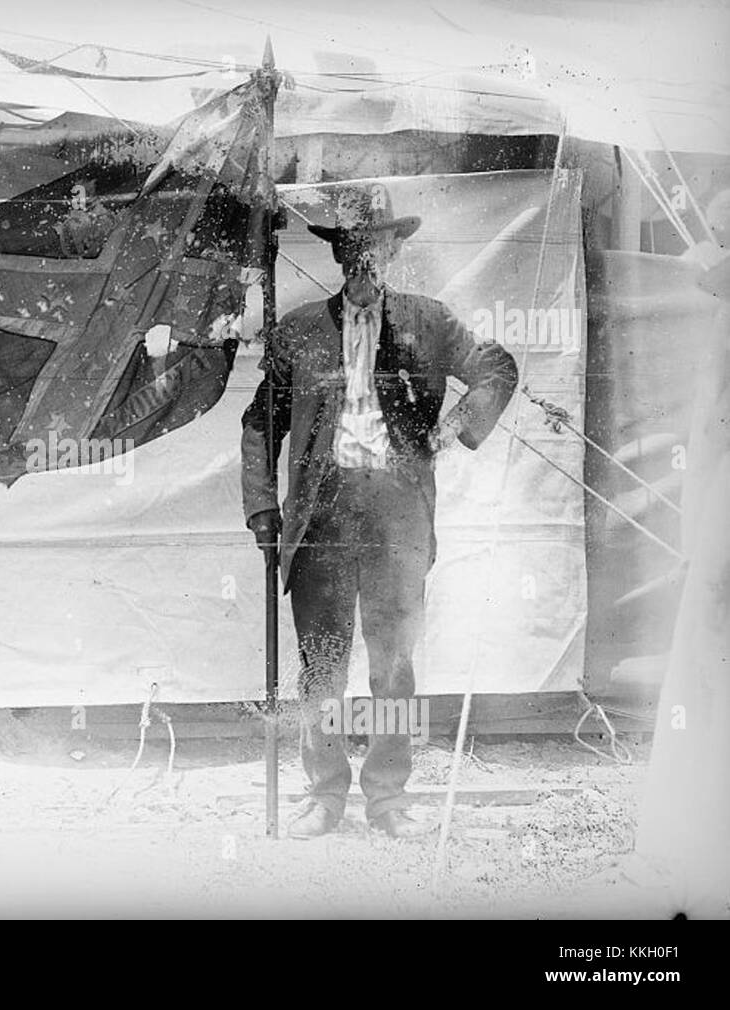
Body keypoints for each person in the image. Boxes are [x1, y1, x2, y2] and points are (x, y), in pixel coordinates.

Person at [240, 183, 517, 839]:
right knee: (323, 667)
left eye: (378, 248)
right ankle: (324, 795)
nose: (366, 261)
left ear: (394, 252)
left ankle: (389, 798)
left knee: (394, 666)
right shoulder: (299, 332)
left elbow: (496, 369)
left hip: (397, 518)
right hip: (321, 520)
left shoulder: (430, 322)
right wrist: (261, 512)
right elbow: (260, 425)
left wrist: (451, 432)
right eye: (355, 249)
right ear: (341, 255)